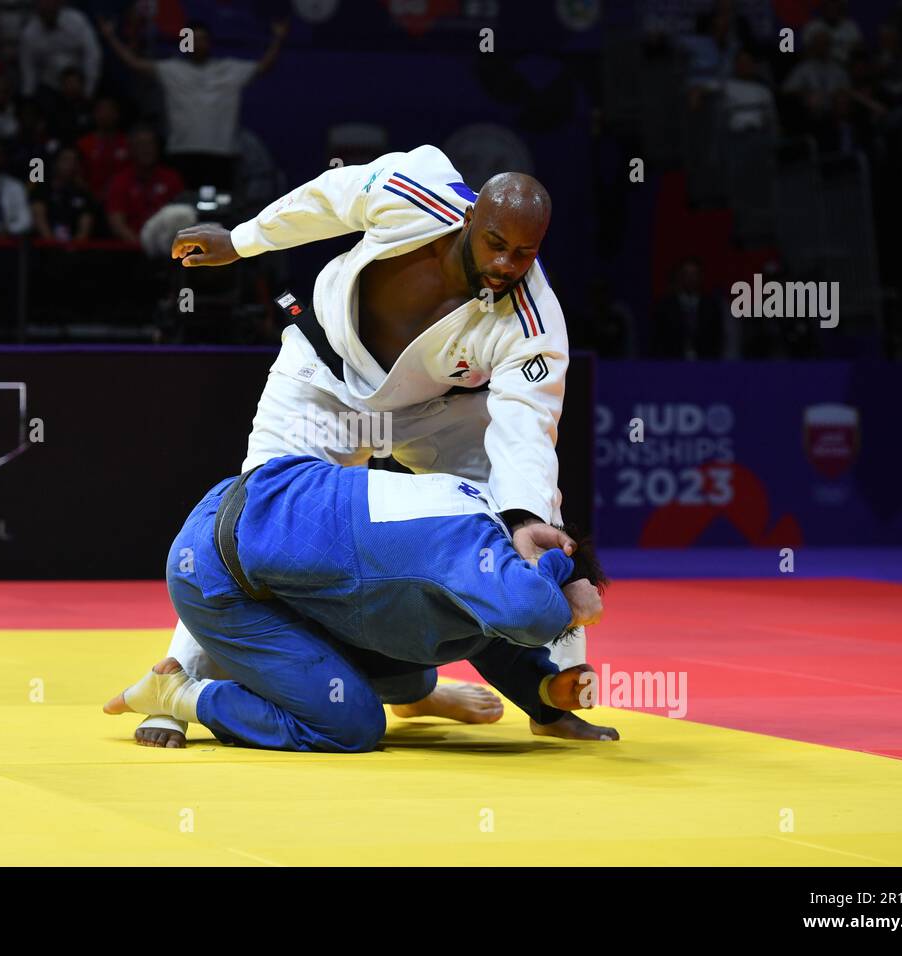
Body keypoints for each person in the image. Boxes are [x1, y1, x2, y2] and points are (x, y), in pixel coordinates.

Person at [138, 144, 581, 748]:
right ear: (473, 217)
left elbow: (527, 424)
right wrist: (241, 241)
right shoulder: (414, 188)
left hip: (433, 412)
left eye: (525, 252)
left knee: (519, 524)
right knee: (256, 524)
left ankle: (544, 693)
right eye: (496, 242)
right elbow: (325, 201)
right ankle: (177, 682)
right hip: (323, 379)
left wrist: (525, 513)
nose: (507, 263)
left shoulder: (534, 321)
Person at [104, 455, 617, 752]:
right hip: (217, 576)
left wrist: (548, 699)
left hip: (255, 506)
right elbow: (528, 612)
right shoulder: (469, 545)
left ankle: (405, 693)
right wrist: (566, 599)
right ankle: (175, 695)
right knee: (351, 724)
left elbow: (496, 632)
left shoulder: (484, 515)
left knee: (416, 670)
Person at [99, 16, 287, 191]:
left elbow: (263, 67)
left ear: (210, 42)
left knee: (221, 212)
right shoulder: (171, 69)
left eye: (202, 39)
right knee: (183, 213)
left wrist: (278, 39)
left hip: (222, 153)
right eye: (192, 39)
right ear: (186, 43)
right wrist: (110, 36)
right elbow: (134, 63)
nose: (197, 44)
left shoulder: (230, 69)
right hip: (182, 153)